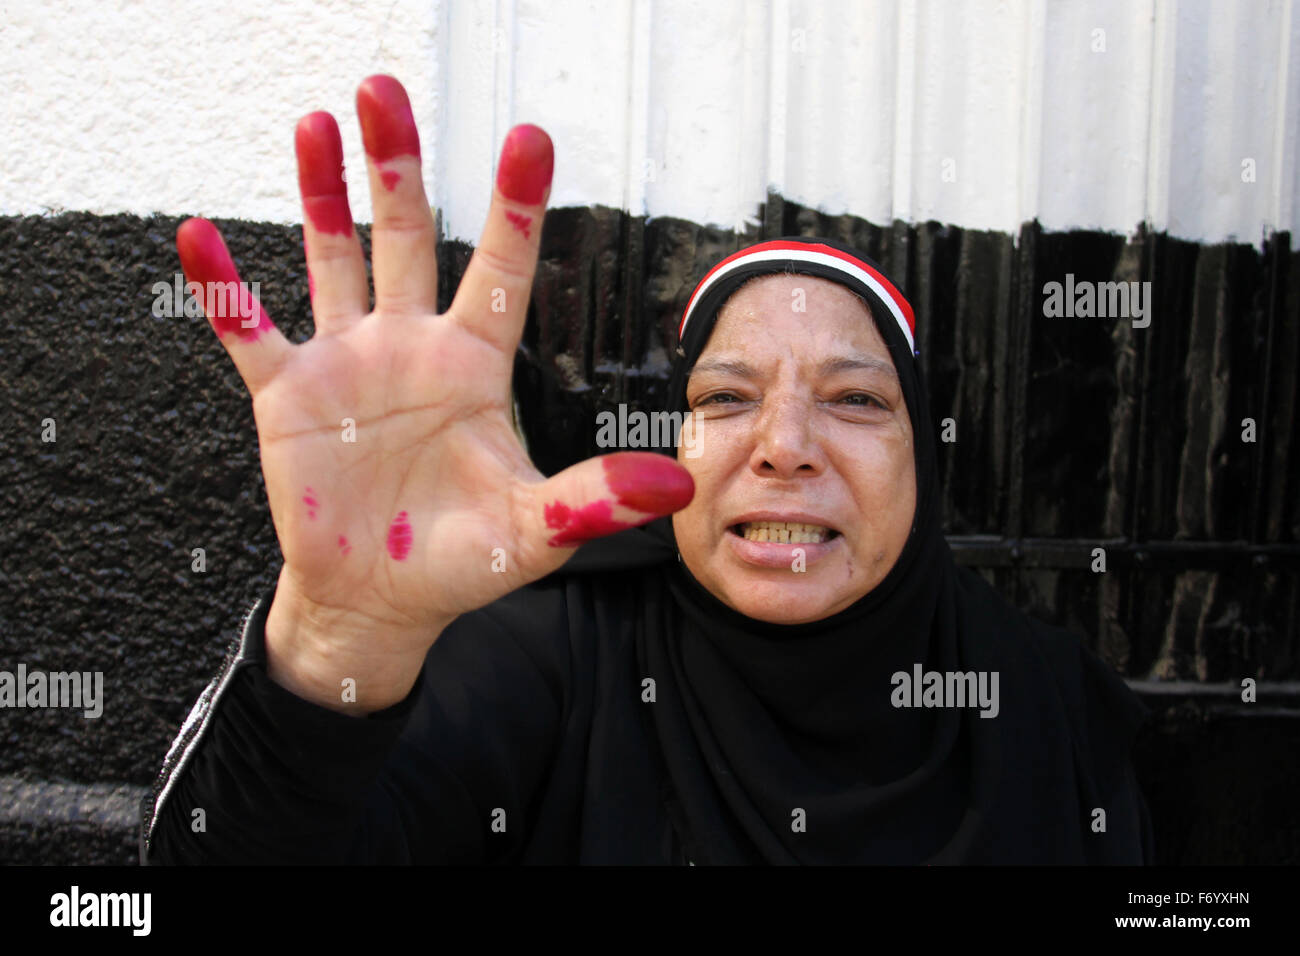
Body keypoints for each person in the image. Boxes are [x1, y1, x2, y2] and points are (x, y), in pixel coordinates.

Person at [141, 75, 1153, 865]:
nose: (785, 442)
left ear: (922, 456)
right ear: (675, 441)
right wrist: (332, 641)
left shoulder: (1045, 699)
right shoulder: (549, 663)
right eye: (724, 397)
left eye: (854, 398)